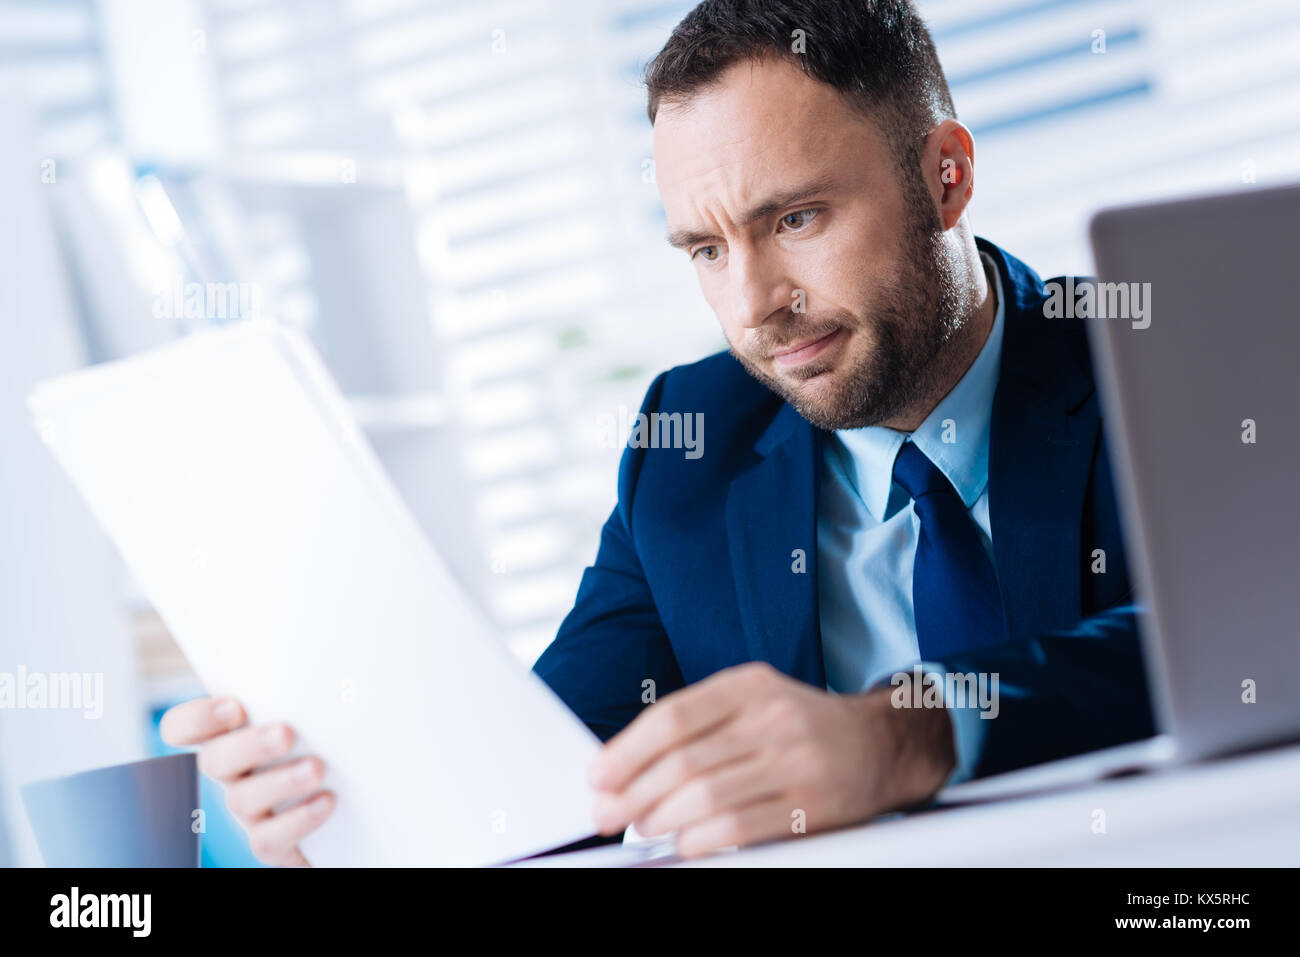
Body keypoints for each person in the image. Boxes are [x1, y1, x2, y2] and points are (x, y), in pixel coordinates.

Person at [160, 0, 1154, 865]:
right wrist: (337, 815)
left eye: (797, 219)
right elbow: (554, 770)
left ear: (945, 176)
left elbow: (1249, 633)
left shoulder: (1143, 356)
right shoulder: (695, 446)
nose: (756, 304)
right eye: (706, 250)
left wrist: (913, 732)